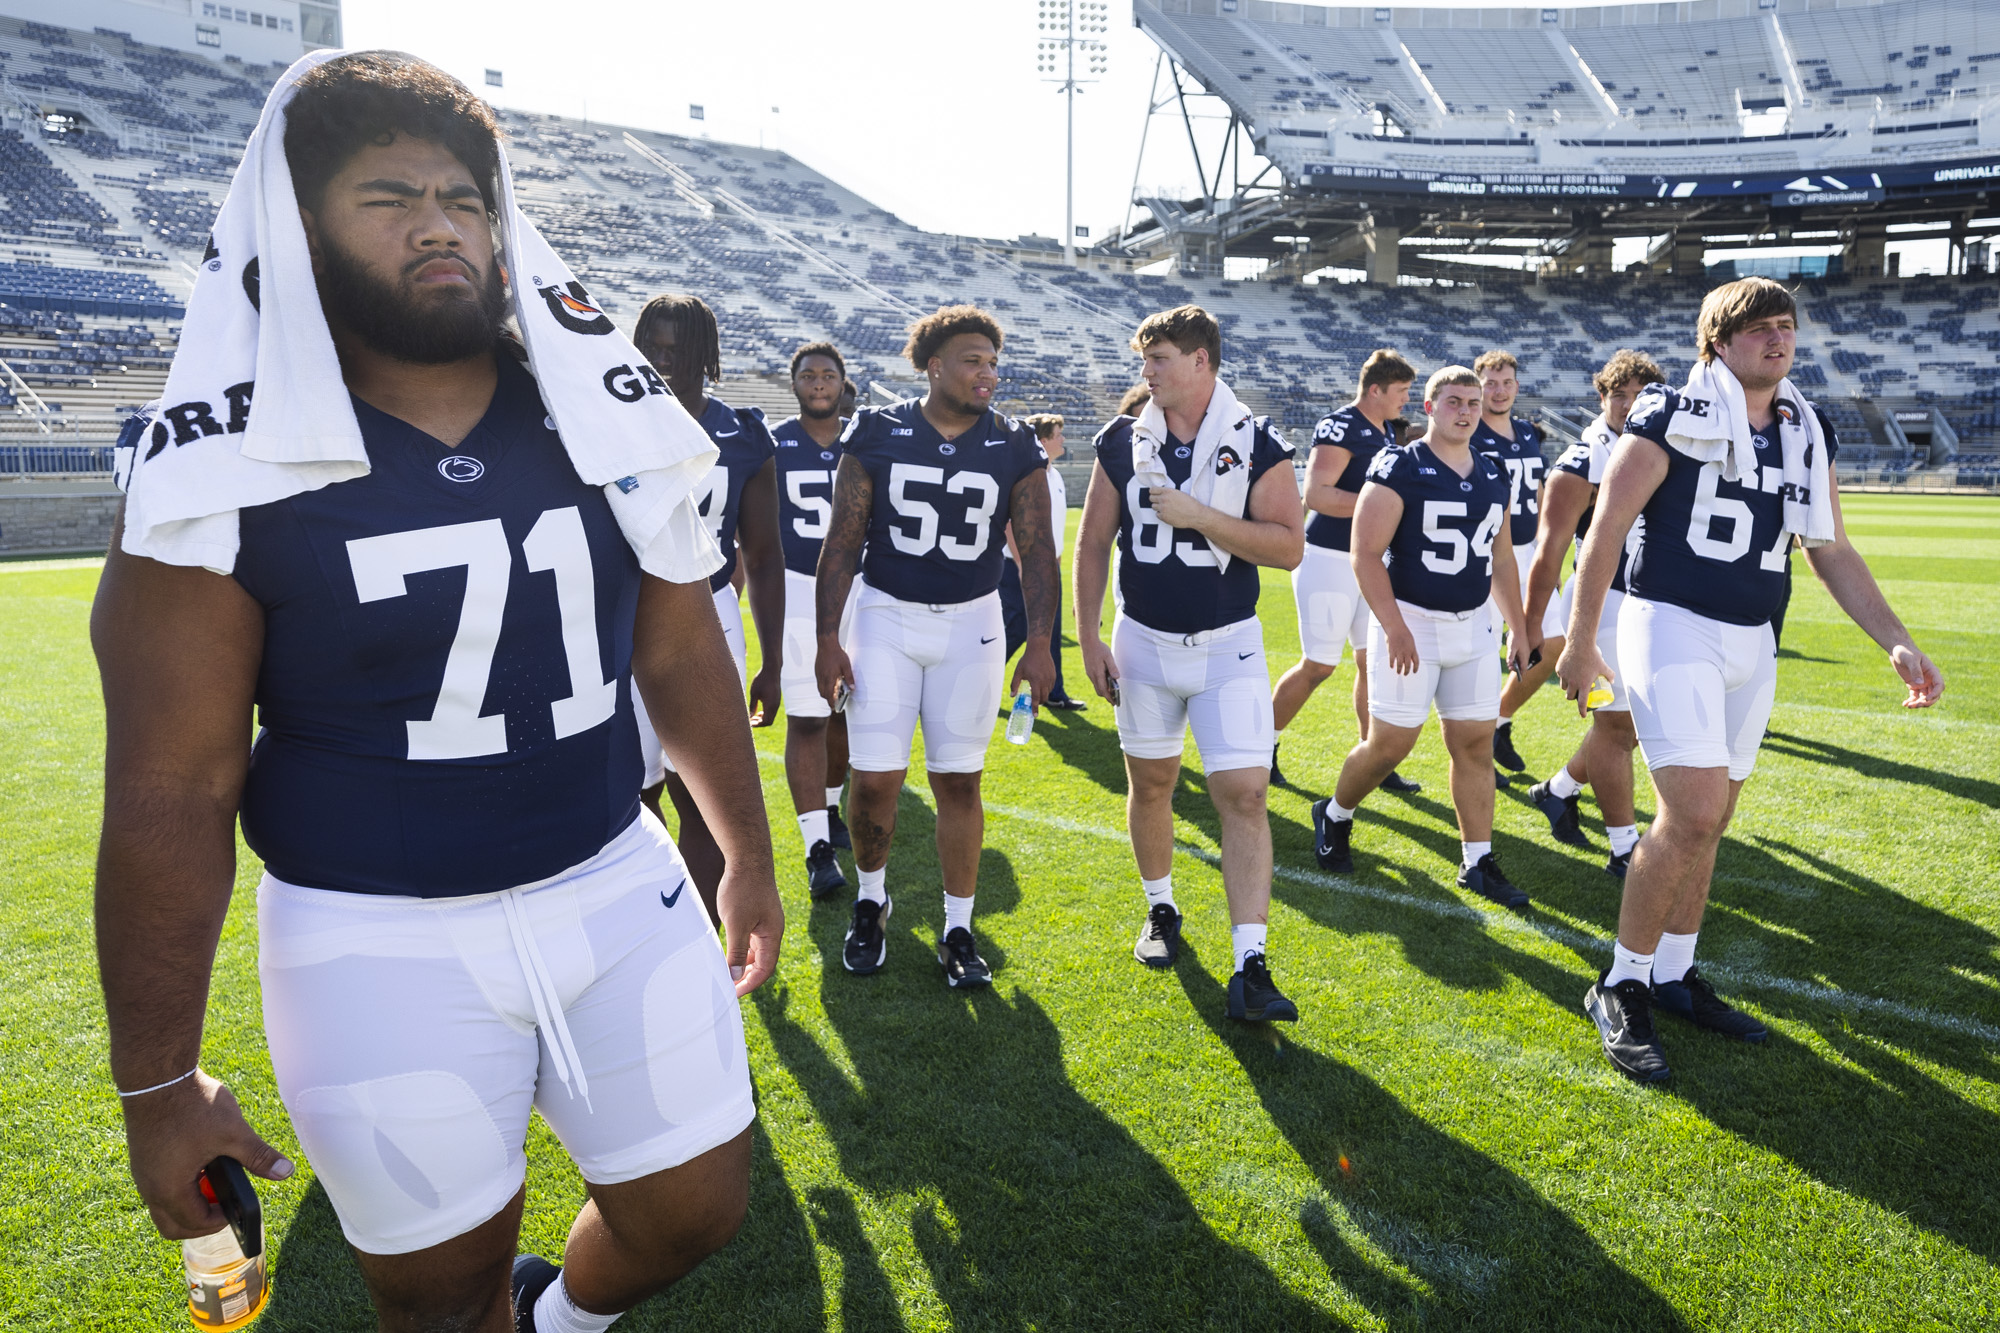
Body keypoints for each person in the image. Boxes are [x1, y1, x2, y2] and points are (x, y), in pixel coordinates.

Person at [92, 53, 781, 1333]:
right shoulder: (220, 463)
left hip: (612, 878)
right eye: (388, 196)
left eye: (463, 198)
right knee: (439, 1304)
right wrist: (157, 1083)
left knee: (694, 1208)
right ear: (301, 231)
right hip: (374, 938)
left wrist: (743, 849)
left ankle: (560, 1319)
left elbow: (681, 650)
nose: (437, 225)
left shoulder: (594, 415)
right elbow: (170, 785)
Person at [1559, 277, 1943, 1083]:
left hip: (1753, 637)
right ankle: (1620, 982)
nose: (1779, 338)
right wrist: (1581, 640)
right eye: (1761, 326)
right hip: (1671, 622)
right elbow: (1607, 527)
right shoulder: (1667, 411)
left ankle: (1675, 970)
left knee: (1715, 819)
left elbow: (1828, 546)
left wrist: (1896, 640)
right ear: (1718, 342)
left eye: (1787, 326)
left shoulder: (1806, 426)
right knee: (1692, 811)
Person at [814, 305, 1058, 987]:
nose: (988, 373)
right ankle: (871, 901)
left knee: (959, 779)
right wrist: (827, 638)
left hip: (971, 624)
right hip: (886, 616)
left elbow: (1038, 552)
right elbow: (842, 543)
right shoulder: (878, 430)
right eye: (973, 360)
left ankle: (957, 928)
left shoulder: (1014, 443)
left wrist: (1041, 643)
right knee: (875, 778)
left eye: (993, 362)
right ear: (934, 365)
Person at [1073, 304, 1305, 1022]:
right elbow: (1092, 541)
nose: (1147, 372)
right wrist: (1087, 636)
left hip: (1228, 643)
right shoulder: (1122, 439)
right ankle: (1161, 907)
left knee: (1246, 795)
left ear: (1201, 361)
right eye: (1145, 359)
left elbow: (1288, 546)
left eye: (1159, 358)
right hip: (1142, 640)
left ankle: (1250, 963)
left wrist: (1202, 516)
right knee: (1152, 785)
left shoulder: (1257, 440)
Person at [1311, 366, 1532, 909]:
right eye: (1454, 401)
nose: (1466, 411)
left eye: (1473, 403)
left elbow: (1501, 557)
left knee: (1474, 744)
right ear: (1430, 407)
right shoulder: (1400, 465)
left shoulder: (1493, 470)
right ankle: (1335, 812)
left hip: (1473, 624)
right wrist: (1393, 626)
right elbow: (1365, 553)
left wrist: (1520, 627)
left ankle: (1477, 860)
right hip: (1411, 620)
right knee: (1389, 745)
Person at [630, 295, 785, 923]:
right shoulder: (608, 420)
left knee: (702, 796)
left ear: (707, 355)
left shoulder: (742, 433)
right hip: (618, 613)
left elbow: (765, 555)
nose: (663, 360)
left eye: (678, 348)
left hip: (708, 611)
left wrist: (774, 662)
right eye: (653, 346)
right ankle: (646, 929)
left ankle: (704, 940)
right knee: (631, 795)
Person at [1521, 349, 1663, 875]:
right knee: (1616, 730)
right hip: (1600, 608)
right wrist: (1530, 629)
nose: (1629, 405)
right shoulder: (1580, 463)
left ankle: (1558, 790)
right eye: (1618, 395)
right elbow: (1548, 555)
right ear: (1601, 398)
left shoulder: (1664, 444)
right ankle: (1624, 848)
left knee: (1631, 727)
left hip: (1654, 604)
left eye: (1640, 395)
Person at [1269, 348, 1421, 796]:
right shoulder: (1341, 425)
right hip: (1329, 558)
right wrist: (1381, 507)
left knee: (1370, 662)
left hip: (1367, 561)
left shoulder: (1385, 430)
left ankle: (1373, 758)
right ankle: (1260, 747)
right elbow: (1317, 494)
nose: (1405, 399)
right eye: (1400, 391)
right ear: (1375, 390)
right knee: (1318, 665)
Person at [773, 341, 856, 898]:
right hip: (799, 588)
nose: (819, 383)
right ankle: (816, 849)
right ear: (795, 383)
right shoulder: (772, 441)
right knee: (807, 717)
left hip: (864, 589)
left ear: (842, 382)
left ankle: (830, 808)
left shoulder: (867, 438)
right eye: (809, 375)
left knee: (849, 710)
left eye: (828, 375)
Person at [1470, 350, 1558, 779]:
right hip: (1490, 555)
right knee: (1486, 654)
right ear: (1479, 387)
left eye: (1506, 383)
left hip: (1529, 552)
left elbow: (1539, 494)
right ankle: (1478, 751)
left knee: (1553, 642)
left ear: (1517, 387)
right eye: (1490, 383)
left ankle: (1499, 722)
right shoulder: (1470, 432)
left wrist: (1545, 547)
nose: (1499, 391)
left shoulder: (1526, 432)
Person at [1000, 413, 1085, 709]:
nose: (1063, 439)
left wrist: (1054, 563)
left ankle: (1053, 692)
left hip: (1047, 568)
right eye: (1058, 434)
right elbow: (1009, 523)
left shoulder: (1055, 475)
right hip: (1018, 567)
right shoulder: (1024, 473)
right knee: (1016, 628)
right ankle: (979, 675)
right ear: (1043, 440)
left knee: (1050, 630)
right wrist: (1022, 564)